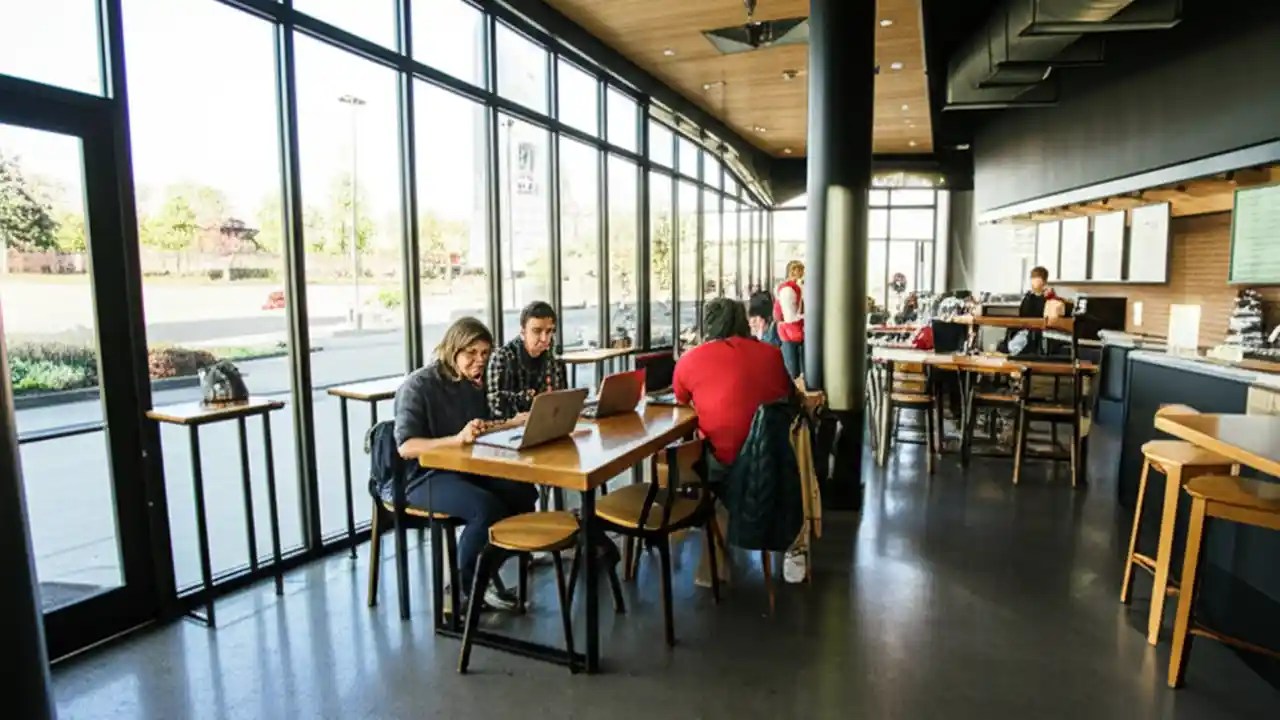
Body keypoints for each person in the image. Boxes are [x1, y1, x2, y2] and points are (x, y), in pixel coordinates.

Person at [394, 316, 537, 611]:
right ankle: (466, 591)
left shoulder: (471, 383)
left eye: (484, 353)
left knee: (524, 494)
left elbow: (477, 429)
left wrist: (511, 423)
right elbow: (406, 447)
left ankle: (482, 575)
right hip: (422, 476)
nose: (479, 360)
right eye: (471, 353)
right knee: (485, 509)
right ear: (452, 349)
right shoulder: (418, 385)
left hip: (463, 468)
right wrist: (455, 440)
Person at [486, 300, 568, 420]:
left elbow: (562, 400)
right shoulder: (502, 357)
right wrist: (527, 399)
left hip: (546, 422)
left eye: (549, 331)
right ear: (523, 332)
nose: (544, 338)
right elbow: (495, 404)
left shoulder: (553, 360)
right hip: (510, 427)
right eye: (537, 331)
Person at [773, 260, 805, 379]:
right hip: (793, 329)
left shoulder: (787, 287)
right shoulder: (790, 289)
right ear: (793, 271)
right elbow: (790, 315)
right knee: (795, 369)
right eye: (799, 270)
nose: (802, 273)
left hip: (787, 329)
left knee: (792, 365)